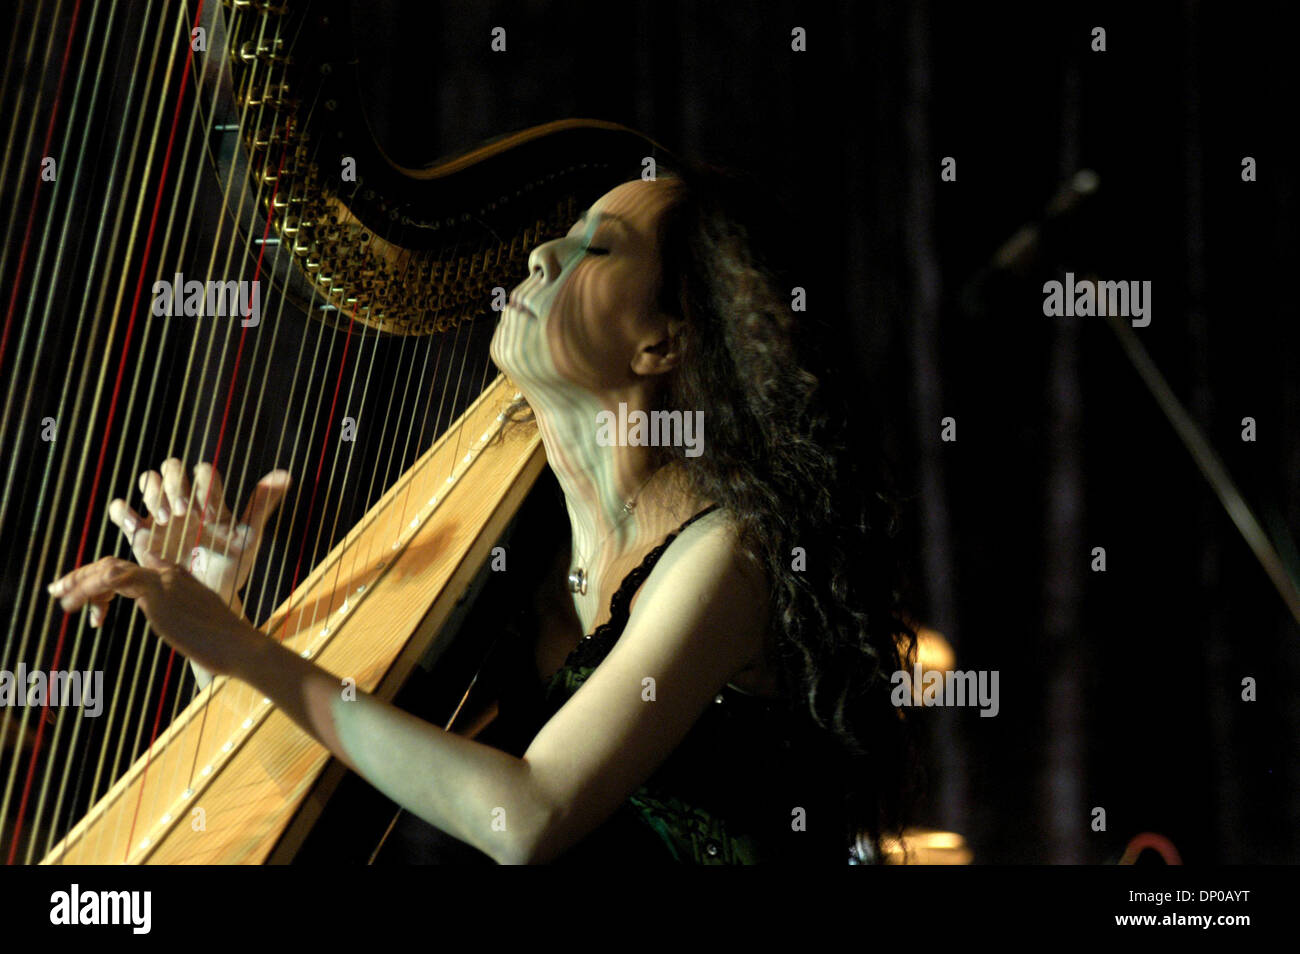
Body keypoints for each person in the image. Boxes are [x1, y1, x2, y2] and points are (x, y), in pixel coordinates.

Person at [47, 159, 917, 864]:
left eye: (596, 249)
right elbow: (333, 784)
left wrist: (243, 647)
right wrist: (223, 628)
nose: (541, 255)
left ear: (665, 340)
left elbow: (526, 815)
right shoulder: (517, 549)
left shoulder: (728, 556)